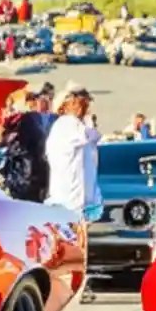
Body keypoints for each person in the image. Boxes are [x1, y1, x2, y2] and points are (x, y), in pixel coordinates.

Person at [45, 83, 103, 222]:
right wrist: (89, 120)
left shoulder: (69, 125)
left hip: (77, 204)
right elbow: (93, 136)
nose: (83, 107)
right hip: (71, 203)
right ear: (67, 104)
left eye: (85, 103)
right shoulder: (67, 123)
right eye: (80, 103)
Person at [0, 111, 49, 202]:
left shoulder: (20, 149)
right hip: (32, 194)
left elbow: (25, 179)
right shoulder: (32, 144)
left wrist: (7, 183)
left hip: (24, 196)